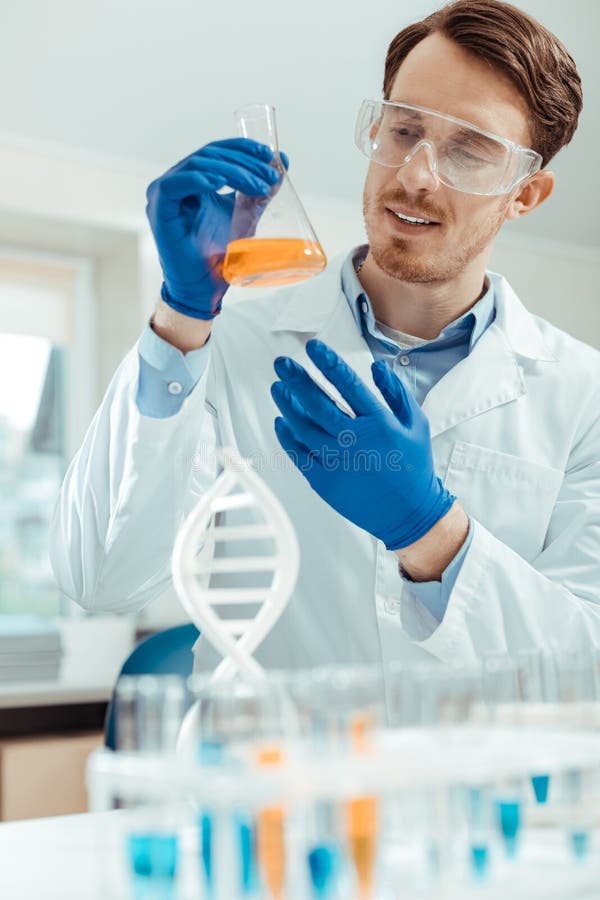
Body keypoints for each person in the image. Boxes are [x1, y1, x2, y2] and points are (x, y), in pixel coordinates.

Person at [50, 0, 600, 674]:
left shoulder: (583, 397)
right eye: (404, 129)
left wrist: (430, 532)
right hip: (274, 772)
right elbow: (102, 580)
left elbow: (586, 668)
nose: (416, 175)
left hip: (466, 779)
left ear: (525, 194)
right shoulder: (226, 345)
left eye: (469, 150)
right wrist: (181, 318)